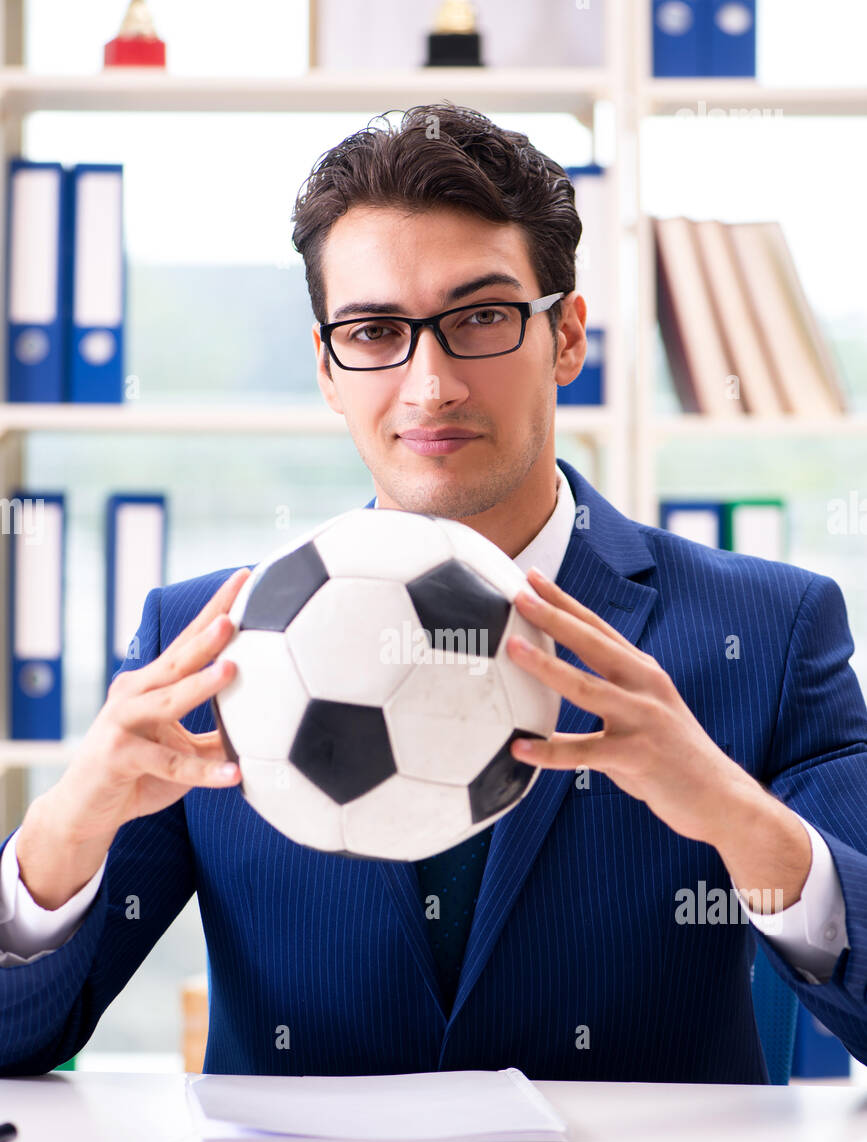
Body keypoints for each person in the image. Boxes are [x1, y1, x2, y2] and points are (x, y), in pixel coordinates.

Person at [1, 105, 864, 1082]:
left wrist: (736, 817)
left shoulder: (770, 632)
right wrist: (66, 828)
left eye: (482, 318)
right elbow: (16, 1041)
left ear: (568, 338)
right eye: (375, 331)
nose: (432, 383)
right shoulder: (205, 643)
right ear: (328, 368)